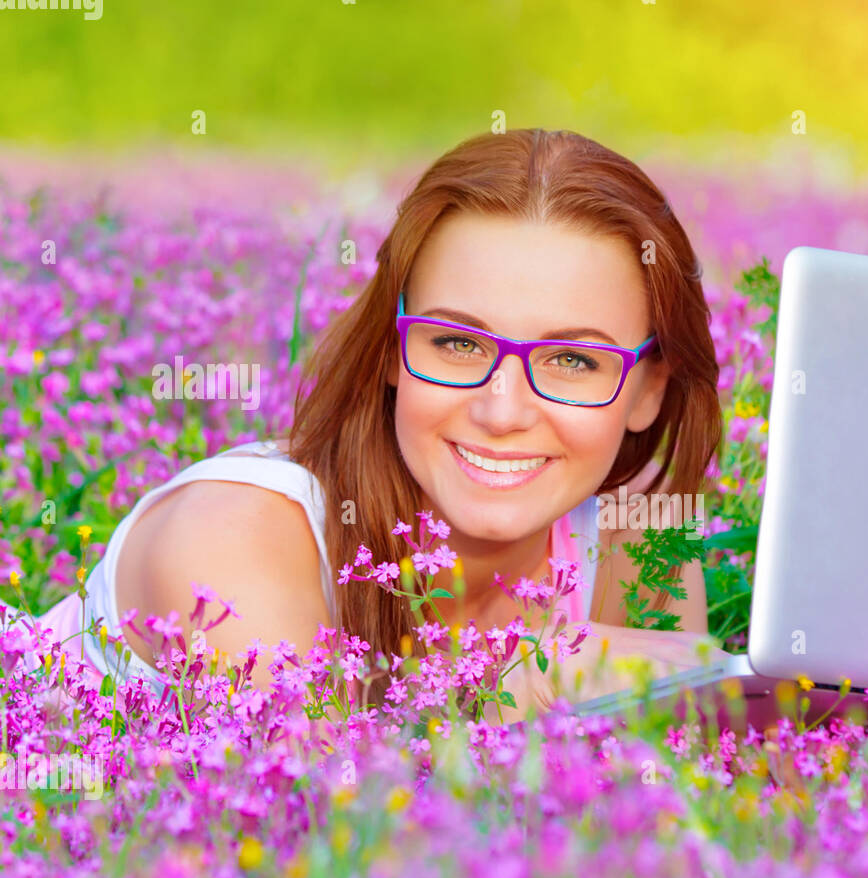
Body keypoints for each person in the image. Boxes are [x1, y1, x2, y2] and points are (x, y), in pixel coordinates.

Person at [36, 128, 727, 716]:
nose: (502, 409)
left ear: (647, 389)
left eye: (573, 360)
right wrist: (535, 680)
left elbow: (668, 813)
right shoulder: (233, 535)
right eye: (457, 343)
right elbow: (323, 828)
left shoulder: (639, 547)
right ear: (394, 350)